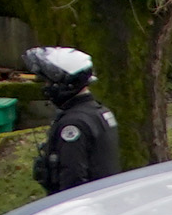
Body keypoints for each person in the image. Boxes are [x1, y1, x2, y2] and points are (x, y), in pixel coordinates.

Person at [24, 44, 121, 194]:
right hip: (103, 199)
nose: (46, 87)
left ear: (66, 83)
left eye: (49, 82)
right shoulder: (99, 112)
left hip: (85, 208)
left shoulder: (74, 123)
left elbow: (73, 178)